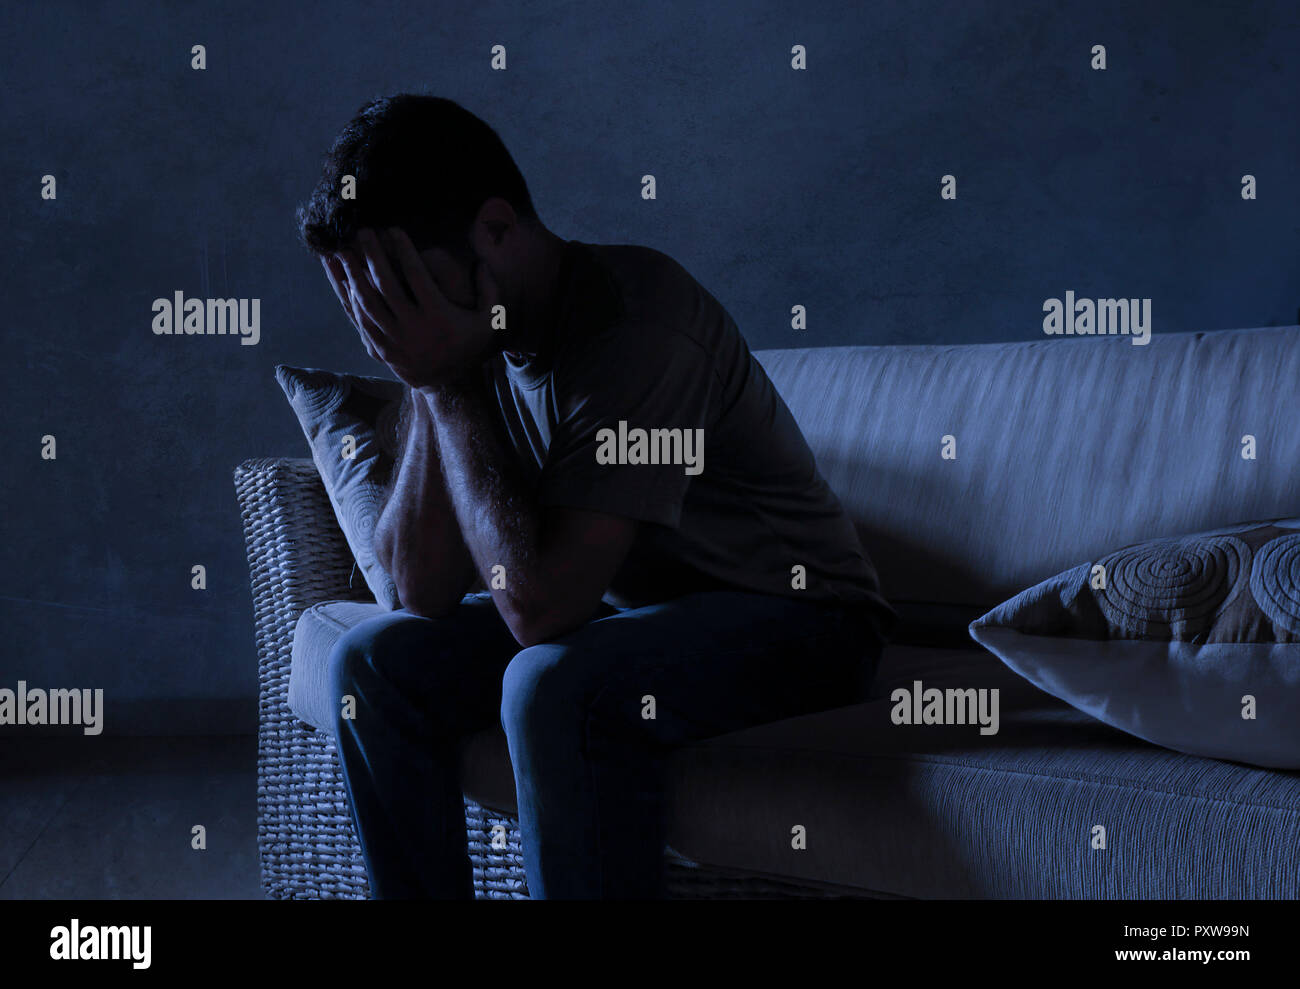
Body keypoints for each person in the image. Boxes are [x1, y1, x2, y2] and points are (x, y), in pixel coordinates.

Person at [295, 93, 896, 899]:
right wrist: (435, 386)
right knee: (373, 662)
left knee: (550, 682)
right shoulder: (470, 345)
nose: (392, 320)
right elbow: (417, 590)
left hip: (805, 620)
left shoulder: (637, 320)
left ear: (498, 229)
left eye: (408, 287)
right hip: (634, 612)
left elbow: (541, 612)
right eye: (372, 296)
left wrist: (444, 381)